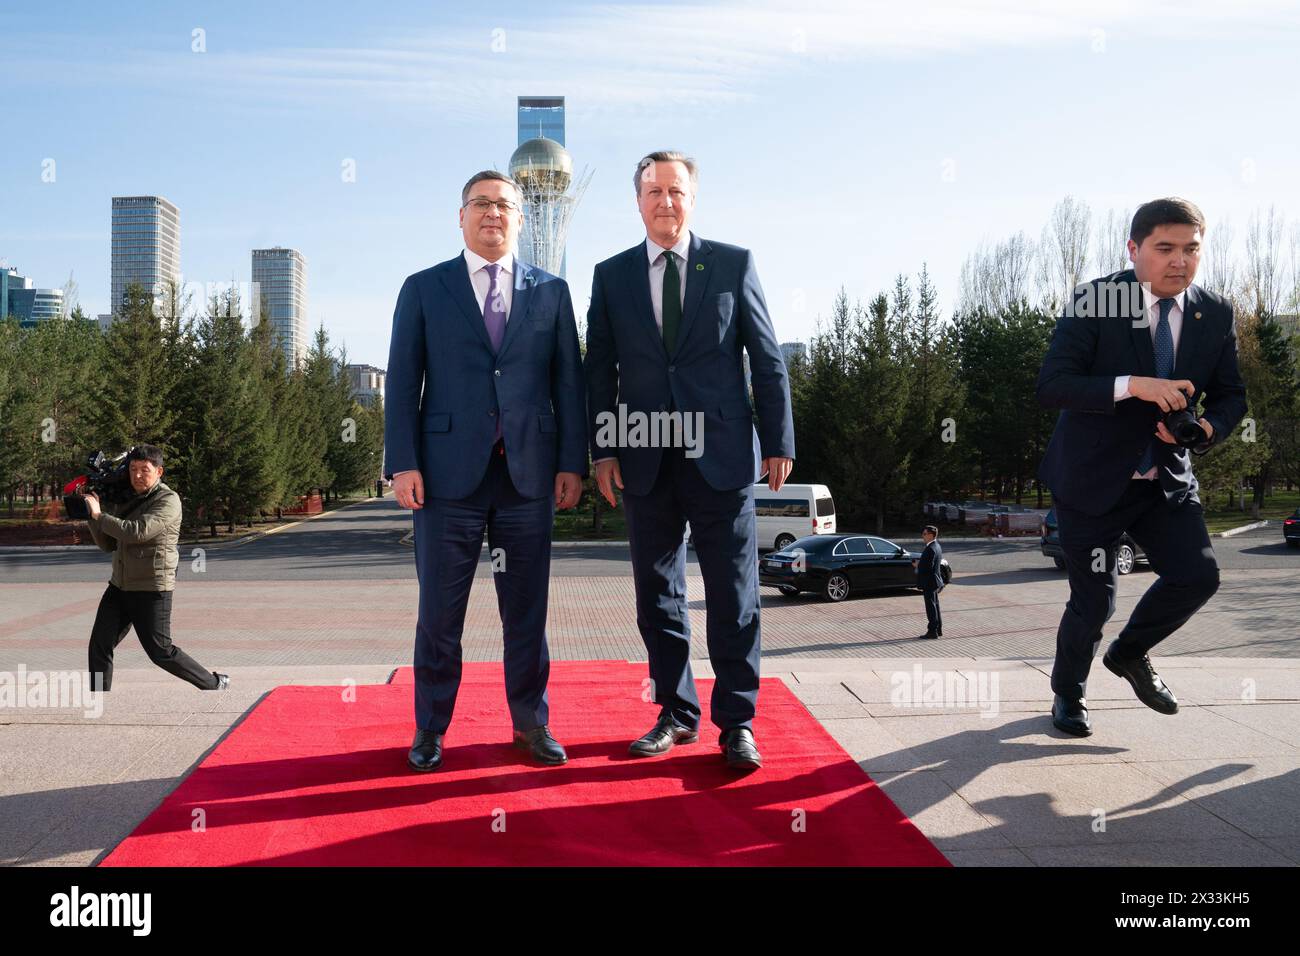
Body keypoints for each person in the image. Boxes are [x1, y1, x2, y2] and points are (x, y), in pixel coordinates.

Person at [584, 150, 795, 770]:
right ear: (638, 200)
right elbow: (600, 368)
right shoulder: (612, 275)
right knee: (657, 593)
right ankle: (676, 714)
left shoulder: (732, 264)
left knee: (734, 592)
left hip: (722, 455)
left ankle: (738, 723)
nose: (665, 202)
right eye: (653, 191)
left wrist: (779, 438)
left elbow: (766, 354)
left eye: (676, 191)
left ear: (692, 199)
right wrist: (602, 447)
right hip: (643, 455)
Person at [384, 170, 587, 772]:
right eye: (481, 204)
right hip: (446, 480)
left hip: (528, 477)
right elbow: (402, 382)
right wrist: (403, 462)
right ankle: (430, 728)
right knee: (439, 616)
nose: (492, 213)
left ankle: (532, 725)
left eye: (504, 205)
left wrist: (571, 462)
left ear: (522, 218)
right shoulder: (423, 288)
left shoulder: (552, 291)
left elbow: (567, 383)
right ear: (461, 215)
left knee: (526, 612)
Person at [1036, 197, 1247, 737]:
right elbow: (1054, 385)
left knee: (1199, 575)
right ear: (1134, 249)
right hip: (1091, 480)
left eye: (1191, 249)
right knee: (1095, 599)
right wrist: (1135, 386)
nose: (1180, 261)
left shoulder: (1215, 314)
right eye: (1165, 248)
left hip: (1165, 478)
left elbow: (1230, 397)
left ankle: (1130, 654)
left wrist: (1205, 431)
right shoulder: (1095, 301)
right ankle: (1069, 695)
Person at [83, 445, 227, 692]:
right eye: (133, 469)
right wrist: (91, 515)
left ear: (159, 471)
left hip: (151, 588)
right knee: (100, 643)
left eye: (144, 470)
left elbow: (137, 532)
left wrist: (99, 517)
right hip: (120, 585)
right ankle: (98, 696)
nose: (137, 475)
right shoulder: (127, 499)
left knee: (160, 651)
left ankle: (214, 683)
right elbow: (108, 544)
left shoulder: (168, 500)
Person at [912, 526, 944, 639]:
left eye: (924, 534)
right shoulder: (937, 546)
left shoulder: (931, 548)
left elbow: (928, 567)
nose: (923, 536)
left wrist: (918, 565)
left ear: (931, 535)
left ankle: (932, 631)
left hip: (929, 582)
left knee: (931, 607)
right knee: (935, 606)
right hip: (935, 581)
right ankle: (938, 629)